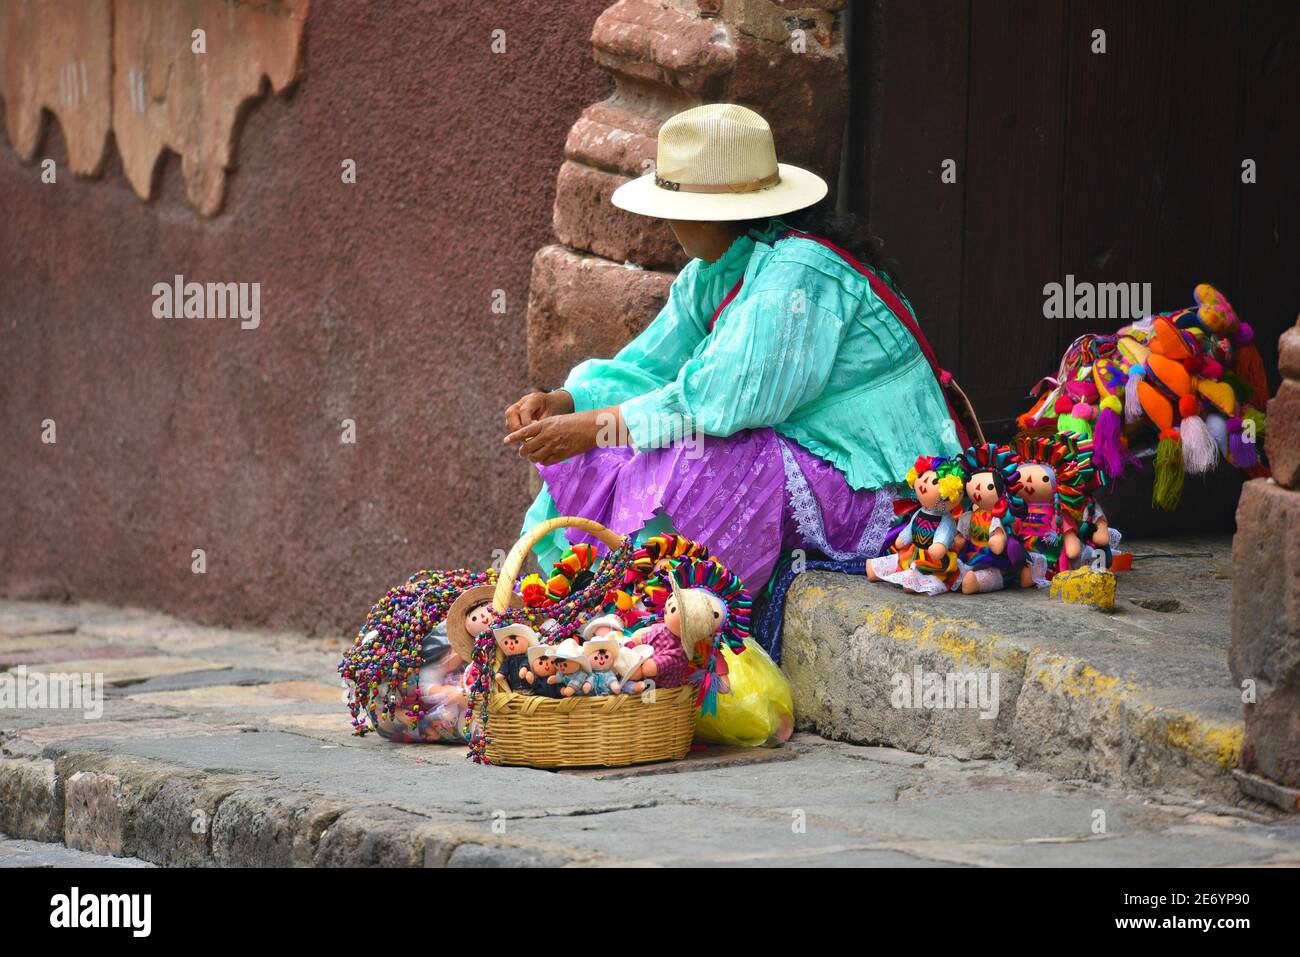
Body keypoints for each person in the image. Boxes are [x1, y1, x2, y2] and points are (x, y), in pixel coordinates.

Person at [504, 103, 967, 598]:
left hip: (892, 487)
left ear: (705, 215)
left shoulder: (799, 274)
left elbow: (725, 402)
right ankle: (573, 596)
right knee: (607, 443)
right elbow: (652, 366)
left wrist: (595, 426)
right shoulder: (717, 270)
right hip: (816, 459)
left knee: (701, 455)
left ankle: (656, 606)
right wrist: (569, 403)